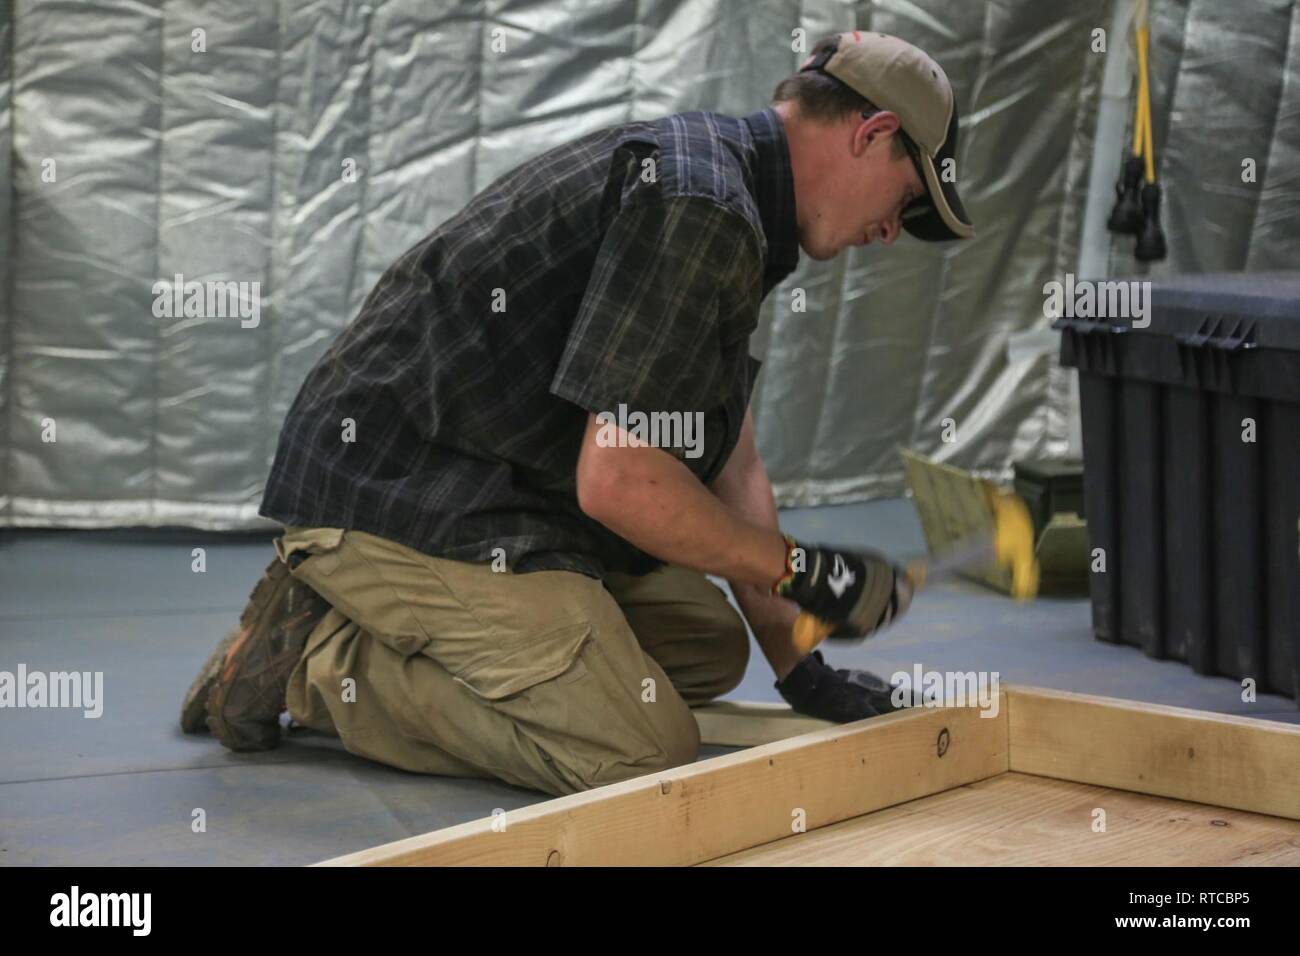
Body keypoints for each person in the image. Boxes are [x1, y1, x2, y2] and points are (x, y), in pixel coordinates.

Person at [182, 30, 975, 797]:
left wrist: (803, 671)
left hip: (505, 497)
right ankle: (319, 665)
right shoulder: (701, 203)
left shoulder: (737, 203)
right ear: (874, 133)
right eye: (908, 201)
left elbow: (734, 461)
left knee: (707, 648)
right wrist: (801, 567)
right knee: (640, 750)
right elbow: (619, 482)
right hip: (394, 494)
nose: (892, 234)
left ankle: (382, 626)